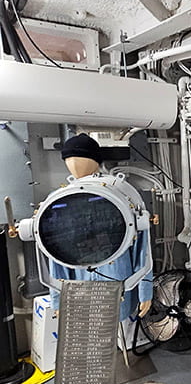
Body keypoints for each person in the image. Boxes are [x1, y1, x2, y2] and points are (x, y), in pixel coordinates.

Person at [49, 134, 153, 320]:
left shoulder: (121, 192)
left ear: (95, 160)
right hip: (79, 282)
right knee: (87, 327)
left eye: (81, 158)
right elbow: (55, 253)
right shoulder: (59, 200)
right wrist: (58, 299)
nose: (75, 165)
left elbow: (142, 248)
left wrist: (145, 289)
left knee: (118, 323)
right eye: (69, 160)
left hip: (118, 278)